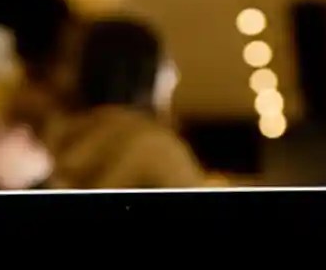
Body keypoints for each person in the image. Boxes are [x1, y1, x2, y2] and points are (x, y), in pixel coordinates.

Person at [43, 18, 205, 189]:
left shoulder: (51, 140)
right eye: (165, 64)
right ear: (144, 74)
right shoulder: (158, 151)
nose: (175, 76)